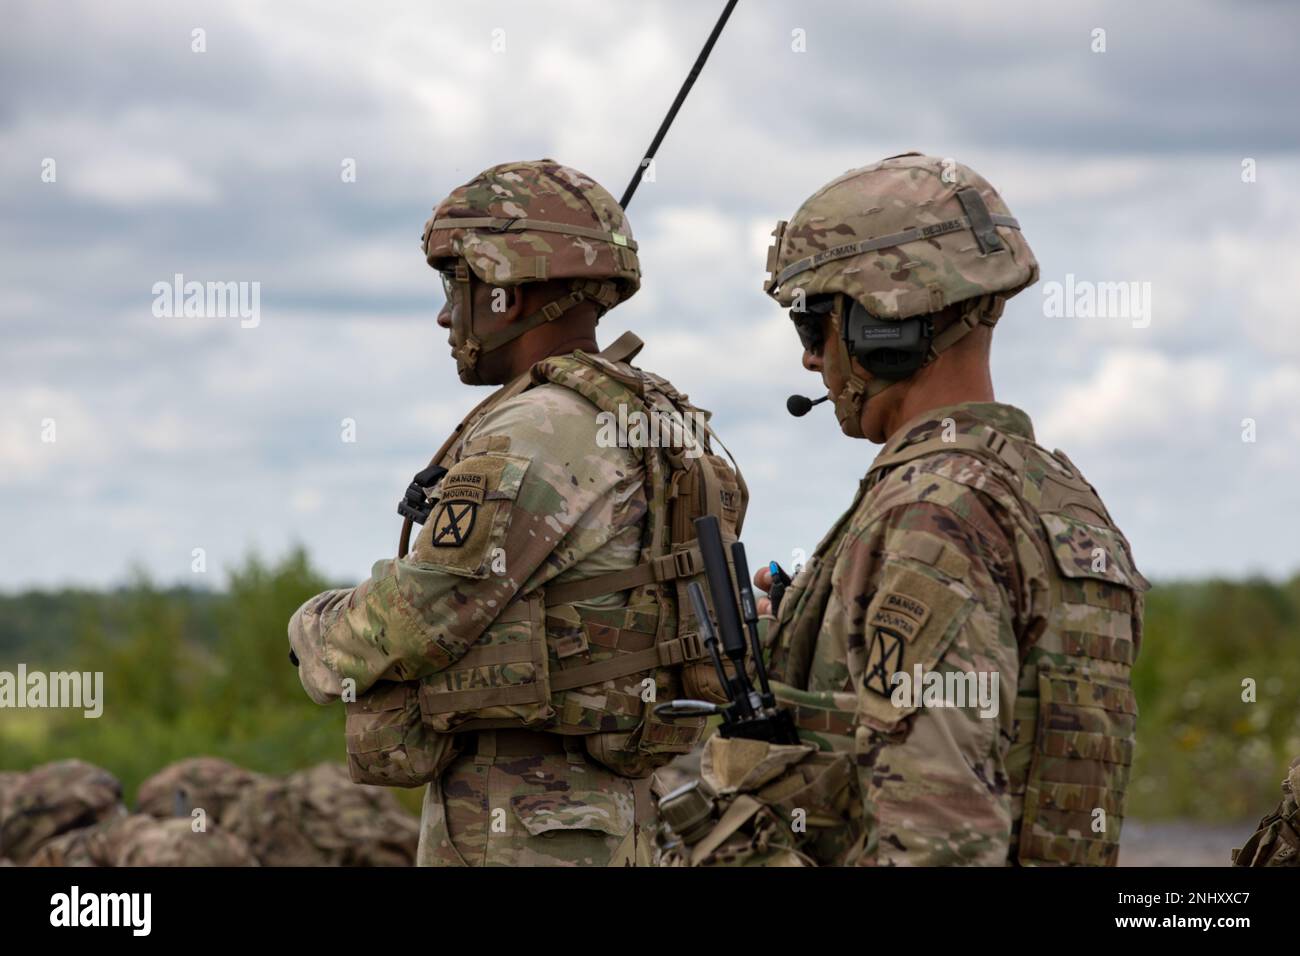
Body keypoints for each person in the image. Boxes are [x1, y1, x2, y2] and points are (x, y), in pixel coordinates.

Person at [663, 151, 1148, 866]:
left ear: (880, 324)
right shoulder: (1061, 499)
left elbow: (941, 844)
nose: (809, 360)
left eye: (814, 327)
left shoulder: (934, 515)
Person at [289, 159, 747, 867]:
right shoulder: (658, 418)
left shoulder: (539, 428)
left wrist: (313, 632)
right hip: (611, 815)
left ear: (505, 293)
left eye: (456, 285)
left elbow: (418, 619)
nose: (446, 314)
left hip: (519, 823)